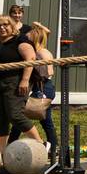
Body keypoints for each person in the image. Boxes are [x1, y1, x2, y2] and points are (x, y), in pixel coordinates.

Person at [0, 15, 44, 150]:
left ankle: (41, 144)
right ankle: (1, 151)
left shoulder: (20, 41)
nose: (2, 28)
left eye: (5, 25)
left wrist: (25, 80)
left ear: (12, 26)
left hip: (15, 82)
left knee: (15, 115)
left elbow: (30, 59)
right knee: (0, 120)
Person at [28, 23, 58, 160]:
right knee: (43, 120)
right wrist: (38, 25)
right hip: (41, 87)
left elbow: (48, 72)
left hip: (43, 87)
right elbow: (47, 31)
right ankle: (53, 146)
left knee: (28, 116)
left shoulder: (42, 53)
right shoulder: (38, 51)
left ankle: (53, 146)